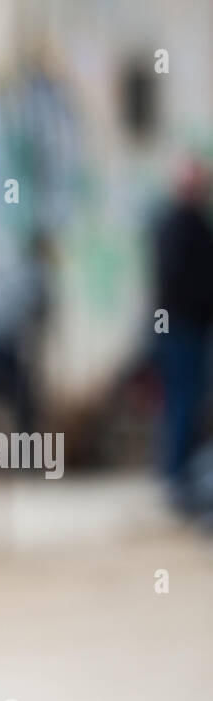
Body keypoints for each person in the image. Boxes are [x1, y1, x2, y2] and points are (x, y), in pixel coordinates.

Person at [151, 156, 213, 513]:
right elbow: (174, 284)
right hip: (182, 331)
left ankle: (179, 480)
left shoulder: (182, 224)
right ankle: (177, 483)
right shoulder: (180, 225)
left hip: (182, 330)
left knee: (182, 405)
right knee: (182, 406)